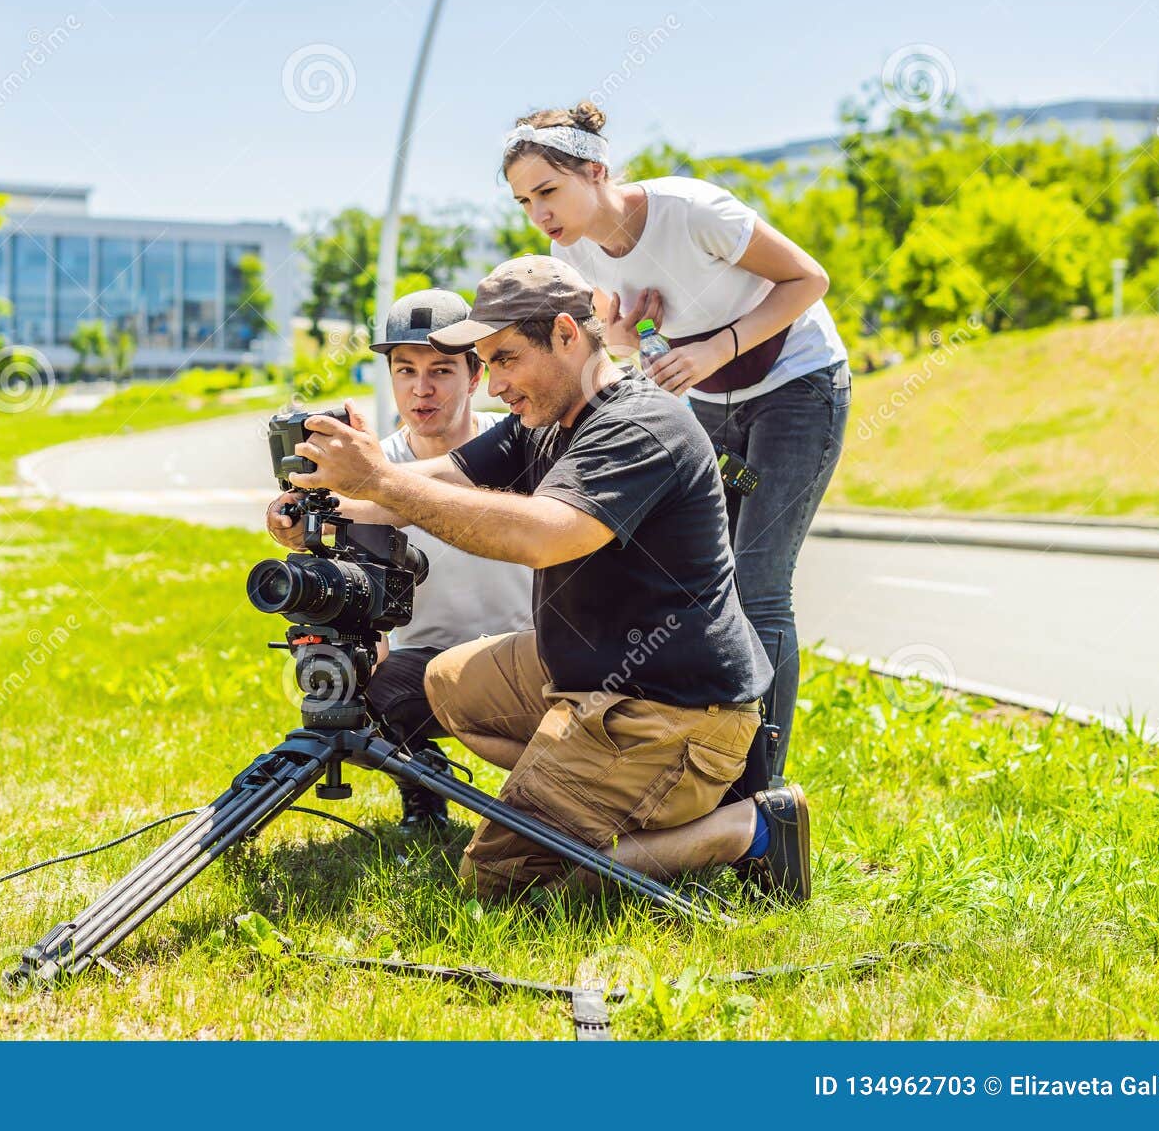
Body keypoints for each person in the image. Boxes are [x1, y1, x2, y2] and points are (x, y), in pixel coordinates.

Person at [266, 256, 811, 904]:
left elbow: (544, 535)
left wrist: (381, 479)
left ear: (564, 333)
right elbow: (435, 484)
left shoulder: (639, 424)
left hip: (668, 709)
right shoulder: (544, 420)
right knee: (442, 682)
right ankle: (572, 790)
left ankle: (744, 827)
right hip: (585, 673)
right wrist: (329, 501)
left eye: (504, 359)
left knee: (505, 883)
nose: (493, 385)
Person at [501, 102, 852, 785]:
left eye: (548, 190)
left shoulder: (693, 211)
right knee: (701, 588)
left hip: (799, 386)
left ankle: (763, 793)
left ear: (596, 170)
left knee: (758, 585)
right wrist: (632, 338)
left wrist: (713, 348)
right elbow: (616, 342)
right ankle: (706, 771)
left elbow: (809, 279)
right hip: (712, 403)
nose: (538, 213)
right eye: (522, 201)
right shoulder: (568, 255)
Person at [365, 289, 532, 833]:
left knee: (545, 809)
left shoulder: (519, 445)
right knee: (351, 685)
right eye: (405, 370)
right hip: (430, 668)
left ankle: (546, 790)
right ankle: (422, 780)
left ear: (475, 376)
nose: (422, 388)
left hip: (529, 656)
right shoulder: (376, 469)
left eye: (441, 370)